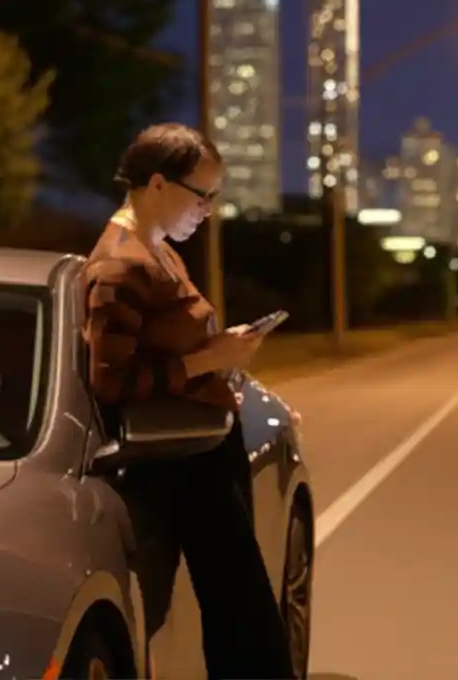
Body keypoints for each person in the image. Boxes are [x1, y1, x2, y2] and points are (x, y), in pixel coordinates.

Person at [82, 122, 296, 679]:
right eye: (201, 195)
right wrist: (209, 360)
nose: (208, 210)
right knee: (242, 616)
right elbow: (112, 383)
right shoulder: (119, 266)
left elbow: (184, 350)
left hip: (204, 450)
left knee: (242, 612)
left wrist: (235, 373)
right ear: (156, 184)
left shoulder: (161, 252)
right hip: (177, 465)